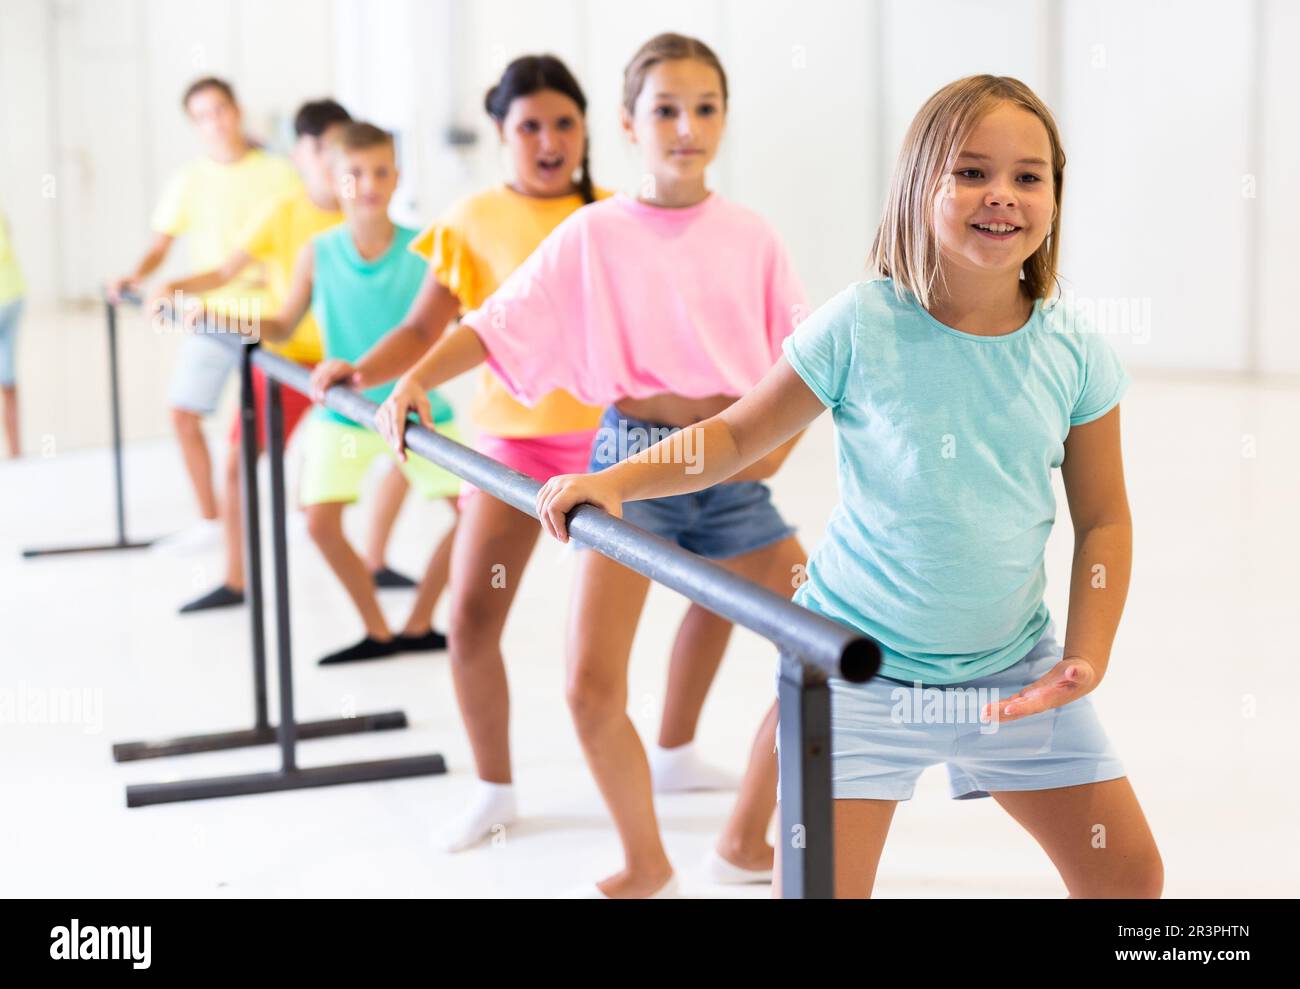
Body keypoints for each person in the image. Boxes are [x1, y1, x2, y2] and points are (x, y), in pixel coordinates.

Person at [536, 75, 1164, 899]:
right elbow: (732, 435)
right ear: (919, 185)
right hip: (855, 673)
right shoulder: (861, 322)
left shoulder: (1075, 349)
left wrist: (1088, 650)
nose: (1001, 195)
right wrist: (616, 479)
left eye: (1028, 175)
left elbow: (1105, 518)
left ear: (1054, 192)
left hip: (1011, 671)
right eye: (970, 171)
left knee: (1130, 877)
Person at [376, 34, 808, 897]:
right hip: (628, 471)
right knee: (587, 685)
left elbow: (802, 363)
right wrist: (416, 380)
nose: (687, 127)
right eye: (665, 110)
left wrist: (760, 453)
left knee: (826, 647)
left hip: (732, 473)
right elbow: (496, 322)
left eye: (706, 108)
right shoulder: (595, 232)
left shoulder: (753, 235)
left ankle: (743, 839)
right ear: (628, 123)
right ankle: (647, 859)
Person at [154, 100, 418, 613]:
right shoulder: (291, 215)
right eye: (329, 153)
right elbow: (236, 280)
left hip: (361, 370)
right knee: (243, 463)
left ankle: (376, 562)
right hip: (292, 363)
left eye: (373, 168)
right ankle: (236, 579)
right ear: (307, 155)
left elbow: (419, 318)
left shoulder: (390, 230)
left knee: (397, 461)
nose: (355, 174)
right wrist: (182, 292)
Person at [258, 122, 462, 664]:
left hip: (420, 411)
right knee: (319, 523)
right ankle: (377, 629)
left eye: (380, 171)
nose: (368, 183)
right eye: (355, 172)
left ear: (397, 178)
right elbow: (281, 322)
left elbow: (444, 324)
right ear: (333, 177)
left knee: (474, 519)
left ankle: (420, 621)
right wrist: (226, 318)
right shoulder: (318, 251)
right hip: (345, 412)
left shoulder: (425, 250)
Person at [108, 77, 298, 555]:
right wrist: (135, 276)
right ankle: (212, 520)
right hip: (210, 317)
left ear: (238, 110)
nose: (215, 122)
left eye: (221, 110)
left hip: (272, 321)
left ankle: (283, 514)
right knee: (183, 413)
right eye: (202, 116)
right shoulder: (189, 180)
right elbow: (161, 244)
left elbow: (301, 242)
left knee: (261, 427)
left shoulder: (280, 173)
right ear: (194, 126)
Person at [0, 201, 25, 457]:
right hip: (14, 295)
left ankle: (15, 453)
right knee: (6, 379)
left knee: (6, 379)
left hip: (6, 299)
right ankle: (15, 452)